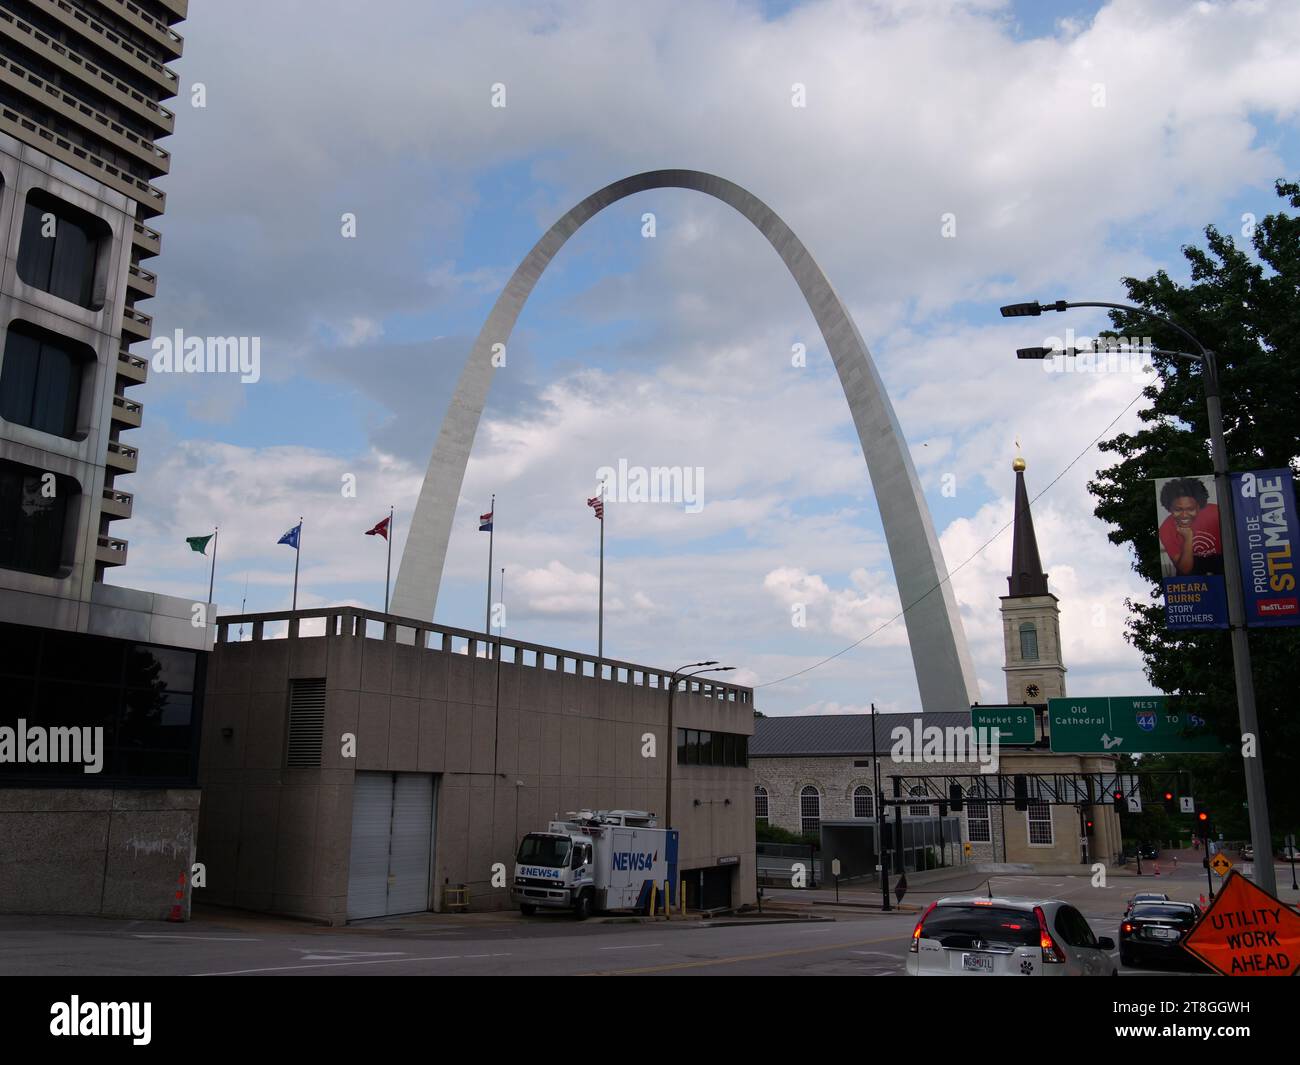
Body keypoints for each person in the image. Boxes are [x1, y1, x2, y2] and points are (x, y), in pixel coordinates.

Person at [1158, 477, 1223, 576]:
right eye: (1178, 510)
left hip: (1221, 558)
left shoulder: (1215, 513)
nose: (1184, 515)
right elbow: (1185, 570)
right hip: (1191, 565)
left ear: (1199, 506)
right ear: (1169, 508)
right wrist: (1188, 538)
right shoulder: (1166, 529)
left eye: (1190, 509)